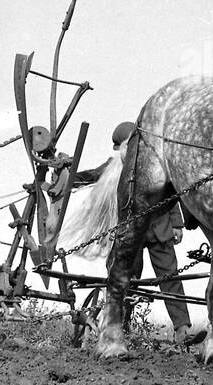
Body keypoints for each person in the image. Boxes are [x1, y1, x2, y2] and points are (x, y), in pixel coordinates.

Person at [72, 121, 206, 348]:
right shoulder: (113, 166)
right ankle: (119, 327)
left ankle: (182, 330)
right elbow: (91, 176)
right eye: (127, 145)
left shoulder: (154, 162)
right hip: (129, 233)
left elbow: (171, 193)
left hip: (159, 230)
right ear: (120, 148)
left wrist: (177, 225)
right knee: (125, 278)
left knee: (171, 278)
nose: (131, 148)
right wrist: (68, 176)